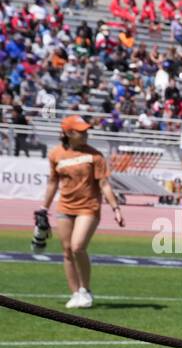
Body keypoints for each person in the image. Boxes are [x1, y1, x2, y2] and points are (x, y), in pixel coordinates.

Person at [40, 115, 125, 309]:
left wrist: (116, 208)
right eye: (81, 131)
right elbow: (53, 182)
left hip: (88, 206)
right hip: (65, 207)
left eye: (86, 130)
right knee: (67, 251)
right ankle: (75, 293)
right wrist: (44, 207)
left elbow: (104, 184)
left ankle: (86, 290)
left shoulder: (95, 156)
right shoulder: (55, 154)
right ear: (69, 133)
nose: (86, 133)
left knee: (78, 246)